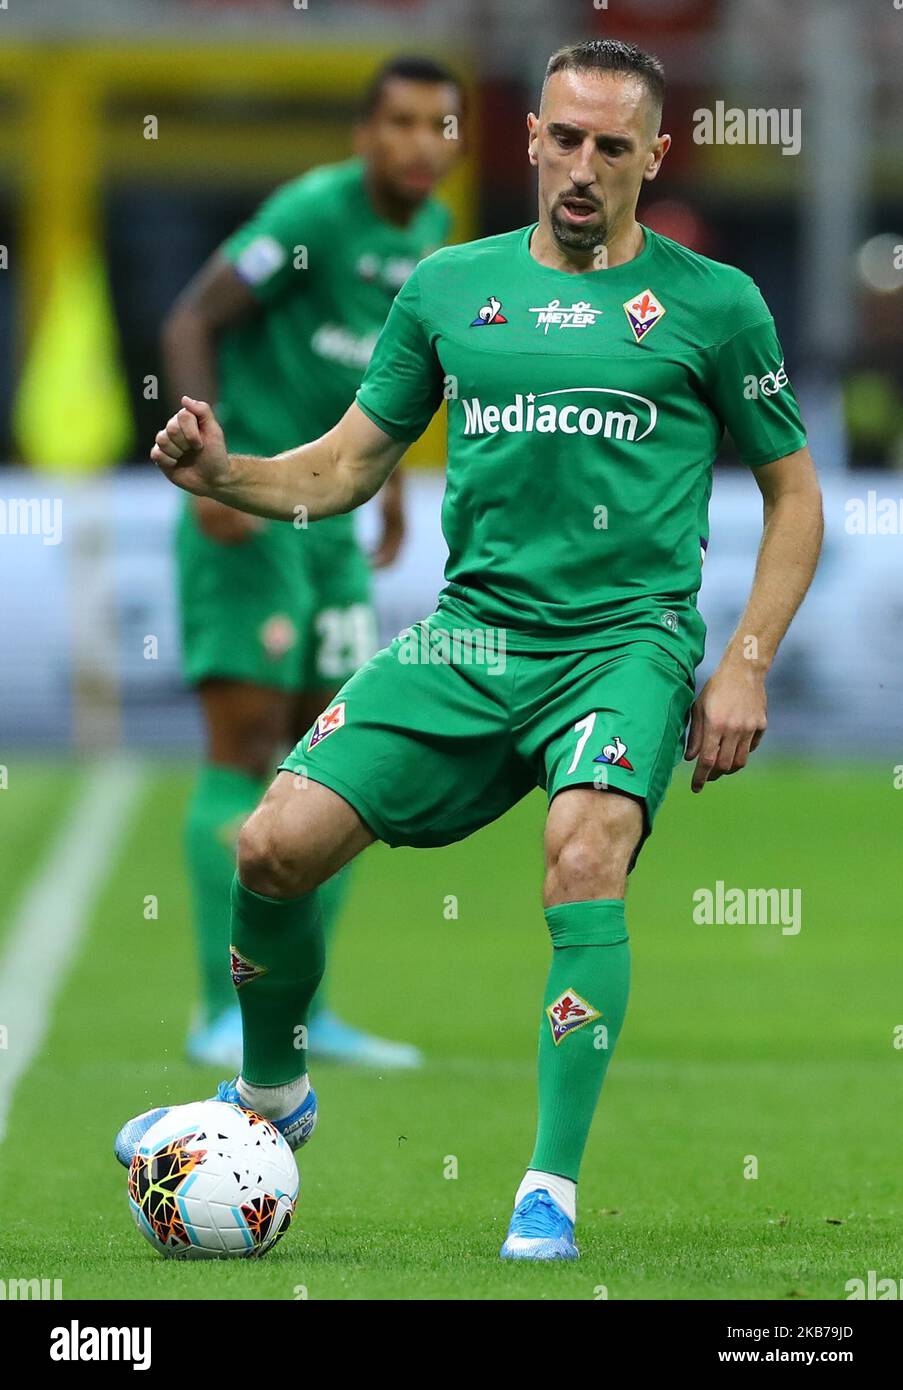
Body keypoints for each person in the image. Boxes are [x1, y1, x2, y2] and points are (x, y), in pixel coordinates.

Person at [120, 38, 823, 1261]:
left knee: (583, 849)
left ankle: (546, 1188)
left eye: (615, 146)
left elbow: (796, 494)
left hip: (625, 643)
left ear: (655, 156)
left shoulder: (717, 306)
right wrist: (221, 468)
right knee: (273, 846)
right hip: (469, 638)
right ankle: (275, 1093)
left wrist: (747, 659)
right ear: (532, 139)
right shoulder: (449, 287)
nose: (584, 166)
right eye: (565, 137)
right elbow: (344, 465)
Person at [163, 55, 463, 1070]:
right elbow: (191, 317)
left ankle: (302, 1013)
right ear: (363, 134)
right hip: (250, 512)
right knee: (244, 751)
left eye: (442, 124)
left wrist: (401, 487)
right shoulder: (308, 215)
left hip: (333, 521)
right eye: (403, 123)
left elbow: (396, 375)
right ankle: (220, 1006)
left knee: (323, 766)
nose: (423, 143)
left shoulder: (429, 231)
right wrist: (211, 469)